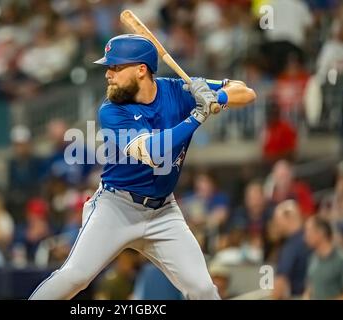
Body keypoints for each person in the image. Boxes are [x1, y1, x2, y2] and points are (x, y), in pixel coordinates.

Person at [29, 34, 256, 300]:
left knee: (203, 290)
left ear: (140, 70)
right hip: (116, 207)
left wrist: (216, 96)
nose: (108, 75)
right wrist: (198, 115)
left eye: (115, 67)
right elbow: (152, 152)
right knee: (75, 277)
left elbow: (246, 92)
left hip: (163, 211)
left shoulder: (177, 90)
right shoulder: (111, 110)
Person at [303, 216, 343, 300]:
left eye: (309, 231)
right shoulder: (313, 258)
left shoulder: (340, 260)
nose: (306, 236)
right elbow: (310, 286)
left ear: (321, 233)